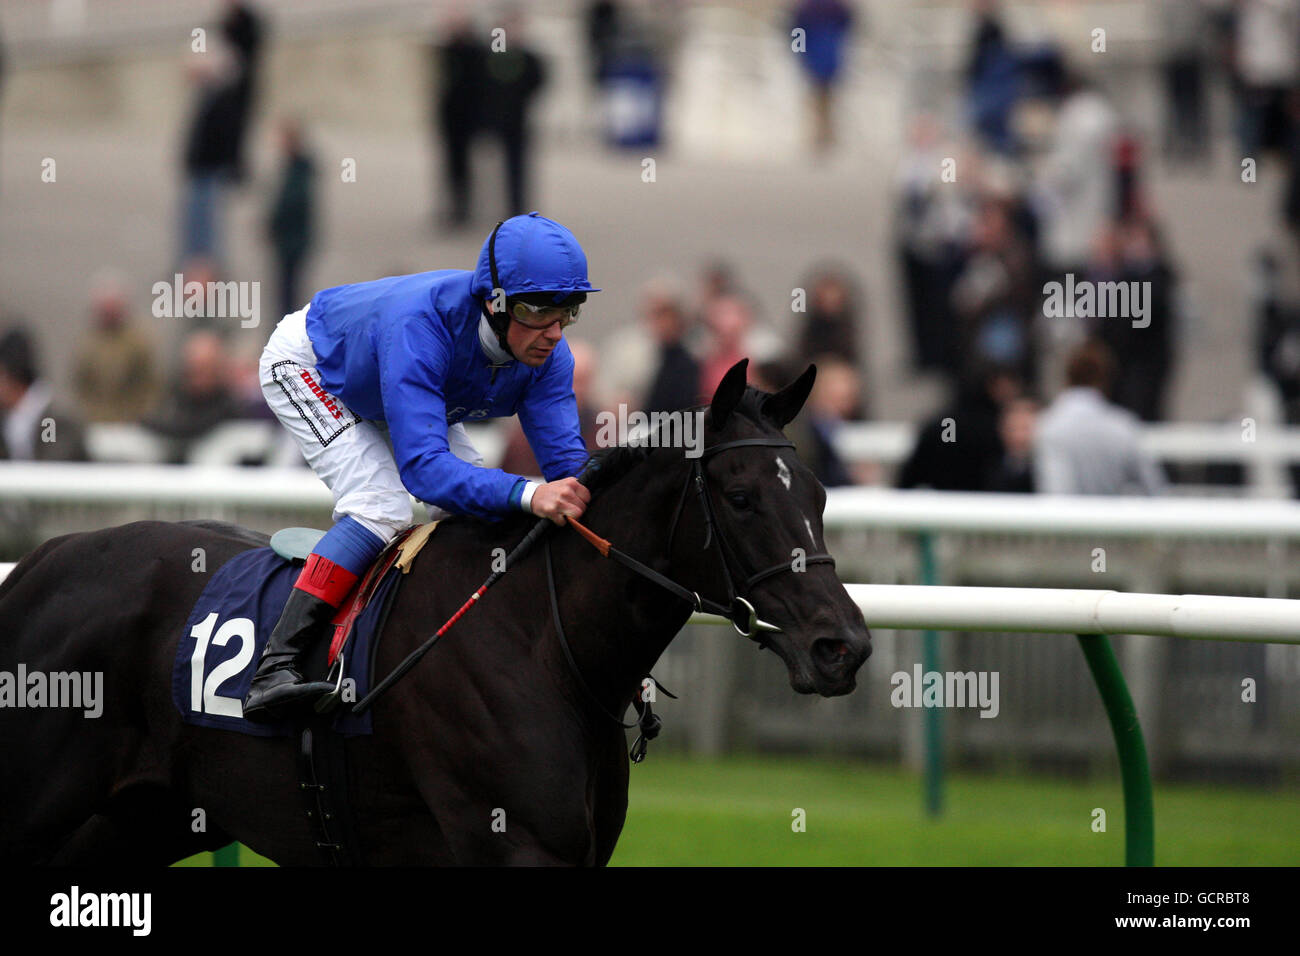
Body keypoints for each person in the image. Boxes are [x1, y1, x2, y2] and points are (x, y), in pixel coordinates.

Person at [242, 212, 598, 720]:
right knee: (380, 503)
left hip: (392, 378)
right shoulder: (423, 325)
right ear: (494, 303)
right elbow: (425, 472)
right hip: (312, 364)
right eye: (538, 309)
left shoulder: (549, 355)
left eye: (569, 310)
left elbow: (570, 472)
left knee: (473, 509)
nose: (554, 332)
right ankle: (275, 667)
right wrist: (529, 493)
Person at [1034, 340, 1164, 495]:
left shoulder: (1049, 426)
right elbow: (1155, 489)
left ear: (1067, 375)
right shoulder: (1123, 426)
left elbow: (1055, 492)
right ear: (1106, 378)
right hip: (1111, 517)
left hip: (1069, 517)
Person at [266, 117, 316, 322]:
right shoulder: (297, 168)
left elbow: (292, 203)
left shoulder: (299, 170)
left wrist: (274, 223)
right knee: (286, 290)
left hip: (292, 241)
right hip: (291, 239)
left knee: (288, 290)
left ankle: (287, 327)